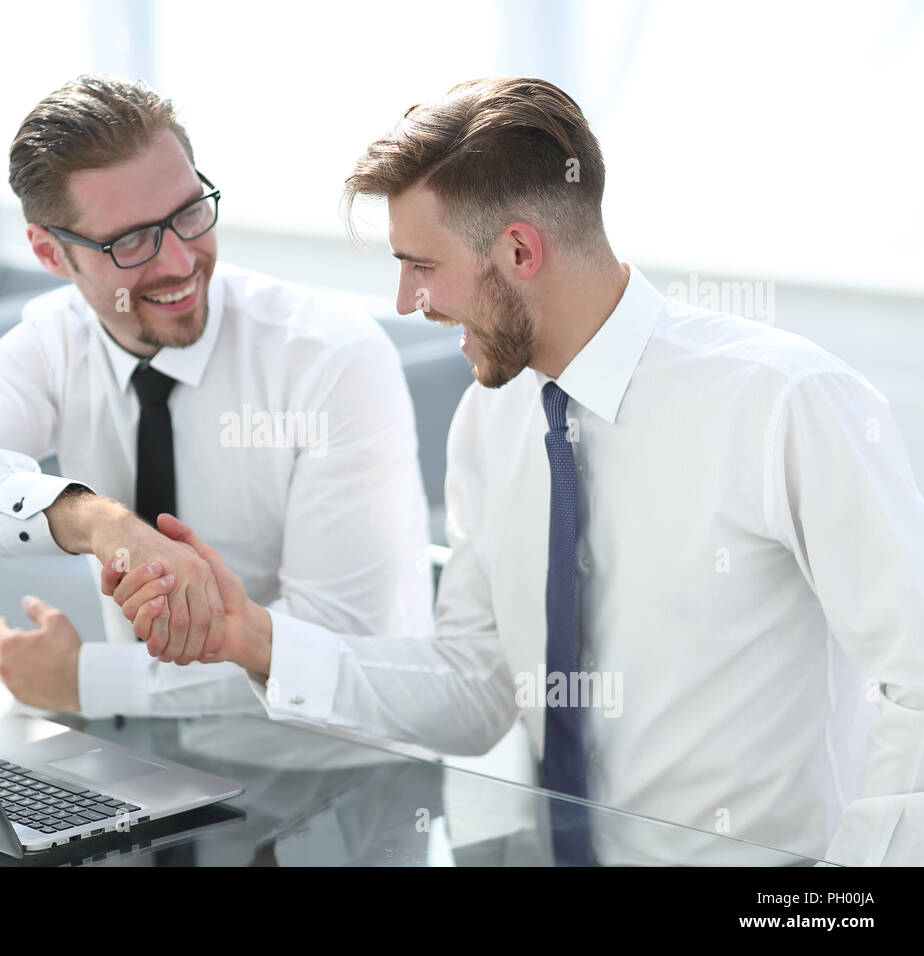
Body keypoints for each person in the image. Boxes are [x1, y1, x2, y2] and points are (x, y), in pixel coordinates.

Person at [110, 77, 924, 867]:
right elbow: (475, 686)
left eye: (420, 265)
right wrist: (255, 639)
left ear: (520, 250)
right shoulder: (495, 418)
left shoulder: (785, 401)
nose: (405, 301)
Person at [0, 74, 434, 721]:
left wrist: (87, 682)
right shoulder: (57, 339)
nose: (178, 261)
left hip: (345, 763)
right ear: (50, 253)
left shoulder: (330, 357)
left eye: (189, 213)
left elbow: (339, 642)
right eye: (130, 241)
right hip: (154, 755)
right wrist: (100, 522)